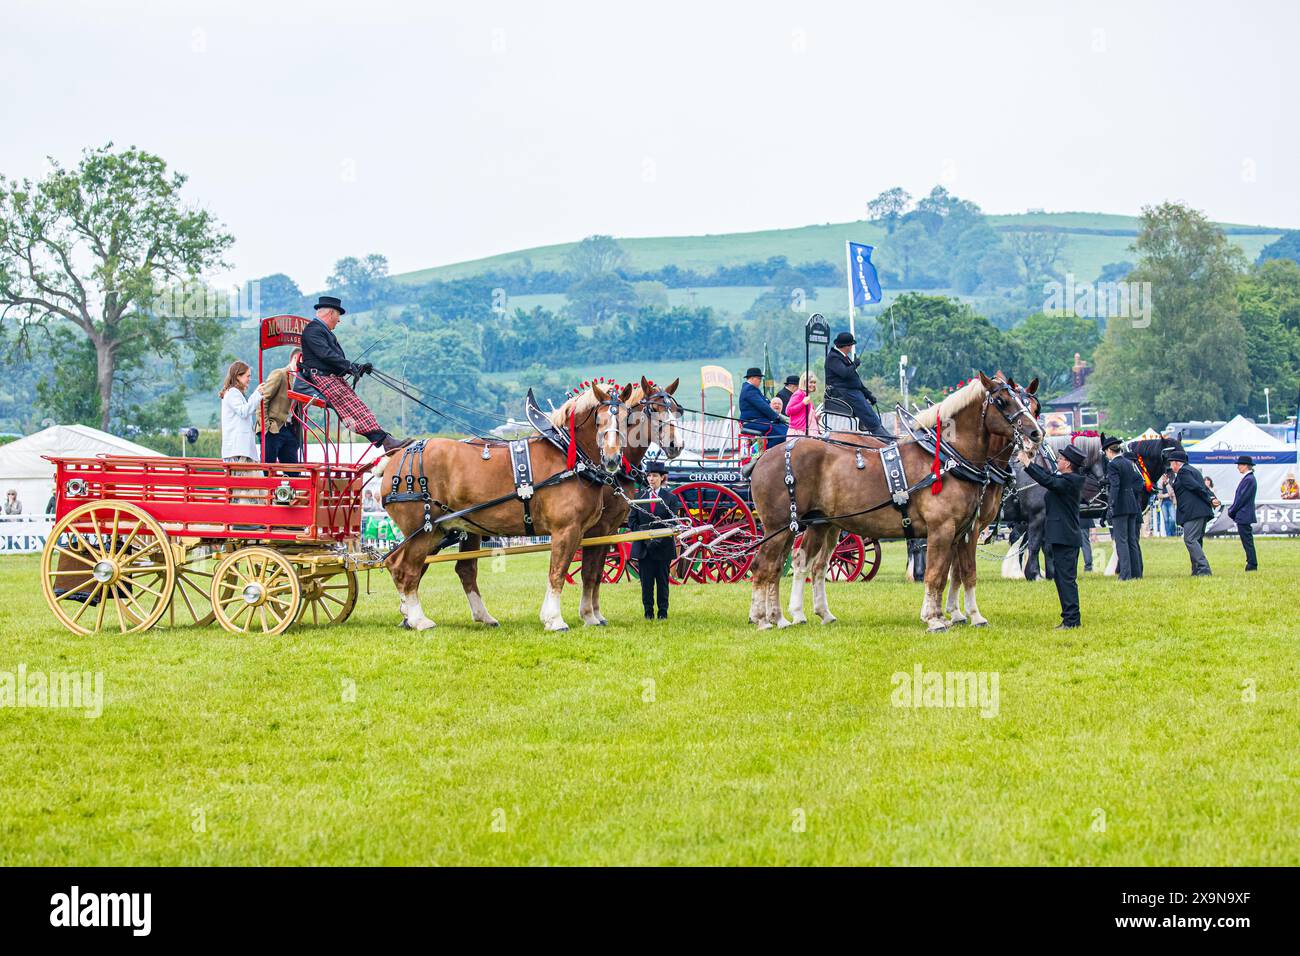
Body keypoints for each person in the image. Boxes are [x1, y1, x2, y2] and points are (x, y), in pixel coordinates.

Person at [300, 296, 411, 453]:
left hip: (331, 377)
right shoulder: (313, 330)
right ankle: (385, 441)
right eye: (338, 316)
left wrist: (357, 367)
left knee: (360, 408)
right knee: (353, 409)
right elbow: (326, 355)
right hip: (322, 378)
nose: (339, 321)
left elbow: (332, 358)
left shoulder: (321, 330)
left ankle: (386, 440)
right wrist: (350, 366)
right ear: (331, 313)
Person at [1019, 443, 1086, 629]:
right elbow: (1048, 476)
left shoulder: (1070, 481)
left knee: (1066, 580)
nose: (1058, 460)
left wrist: (1027, 464)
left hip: (1066, 538)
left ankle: (1072, 620)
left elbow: (1048, 482)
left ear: (1069, 464)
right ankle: (1069, 618)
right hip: (1060, 538)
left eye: (1062, 459)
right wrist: (1030, 462)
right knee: (1061, 579)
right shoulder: (1065, 479)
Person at [628, 460, 679, 620]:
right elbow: (632, 521)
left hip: (662, 547)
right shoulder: (639, 497)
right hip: (644, 548)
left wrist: (659, 537)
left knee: (663, 582)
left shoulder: (670, 498)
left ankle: (663, 612)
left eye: (655, 476)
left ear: (662, 478)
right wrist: (645, 537)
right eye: (649, 476)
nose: (651, 479)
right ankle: (648, 612)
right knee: (646, 582)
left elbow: (672, 521)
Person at [1167, 448, 1217, 576]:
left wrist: (1209, 499)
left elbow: (1196, 487)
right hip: (1201, 511)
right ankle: (1196, 570)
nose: (1170, 466)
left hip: (1193, 512)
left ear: (1177, 463)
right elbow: (1203, 487)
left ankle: (1203, 568)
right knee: (1196, 540)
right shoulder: (1193, 470)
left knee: (1189, 539)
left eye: (1171, 463)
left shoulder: (1183, 472)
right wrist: (1212, 498)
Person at [824, 331, 884, 436]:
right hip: (840, 393)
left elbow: (856, 381)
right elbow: (844, 373)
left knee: (868, 409)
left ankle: (877, 428)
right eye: (851, 345)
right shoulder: (833, 357)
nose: (851, 347)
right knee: (865, 409)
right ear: (846, 346)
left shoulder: (843, 357)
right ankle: (880, 433)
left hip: (851, 391)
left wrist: (868, 395)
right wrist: (855, 364)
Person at [221, 361, 262, 507]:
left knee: (247, 486)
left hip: (241, 447)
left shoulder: (234, 394)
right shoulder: (233, 393)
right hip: (238, 448)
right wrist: (257, 394)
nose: (249, 379)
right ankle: (244, 517)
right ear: (237, 376)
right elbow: (244, 411)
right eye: (247, 376)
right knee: (244, 487)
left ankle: (248, 516)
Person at [1103, 436, 1143, 580]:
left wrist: (1111, 504)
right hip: (1132, 503)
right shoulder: (1128, 462)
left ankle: (1125, 575)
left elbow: (1116, 486)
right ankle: (1136, 573)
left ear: (1109, 450)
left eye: (1105, 452)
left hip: (1120, 505)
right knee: (1132, 540)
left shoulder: (1113, 464)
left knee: (1122, 541)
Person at [260, 348, 304, 466]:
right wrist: (266, 427)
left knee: (293, 471)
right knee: (268, 468)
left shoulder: (301, 380)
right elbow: (263, 399)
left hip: (289, 429)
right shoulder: (280, 374)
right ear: (296, 358)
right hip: (274, 427)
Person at [738, 366, 787, 446]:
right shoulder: (750, 389)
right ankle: (766, 453)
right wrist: (776, 417)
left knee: (783, 428)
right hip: (753, 422)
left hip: (759, 421)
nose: (760, 381)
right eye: (759, 379)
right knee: (782, 434)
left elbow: (765, 404)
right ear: (752, 378)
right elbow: (763, 406)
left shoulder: (750, 389)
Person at [1227, 455, 1258, 571]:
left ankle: (1252, 563)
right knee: (1247, 541)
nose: (1238, 467)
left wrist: (1232, 511)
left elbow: (1241, 498)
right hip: (1243, 515)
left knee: (1247, 541)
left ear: (1245, 466)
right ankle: (1251, 562)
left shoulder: (1249, 479)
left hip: (1243, 515)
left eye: (1239, 465)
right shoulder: (1248, 479)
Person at [785, 371, 820, 437]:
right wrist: (803, 403)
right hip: (799, 432)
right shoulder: (799, 394)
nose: (813, 385)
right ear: (804, 383)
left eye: (814, 382)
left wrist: (816, 417)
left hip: (810, 431)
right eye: (810, 382)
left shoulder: (807, 396)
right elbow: (788, 411)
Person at [1156, 472, 1177, 536]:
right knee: (1166, 520)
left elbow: (1172, 493)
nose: (1164, 478)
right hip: (1163, 503)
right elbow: (1158, 495)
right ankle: (1168, 535)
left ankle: (1173, 534)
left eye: (1165, 476)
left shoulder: (1170, 483)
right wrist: (1165, 495)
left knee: (1173, 519)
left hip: (1171, 502)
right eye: (1163, 476)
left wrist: (1167, 484)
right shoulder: (1160, 484)